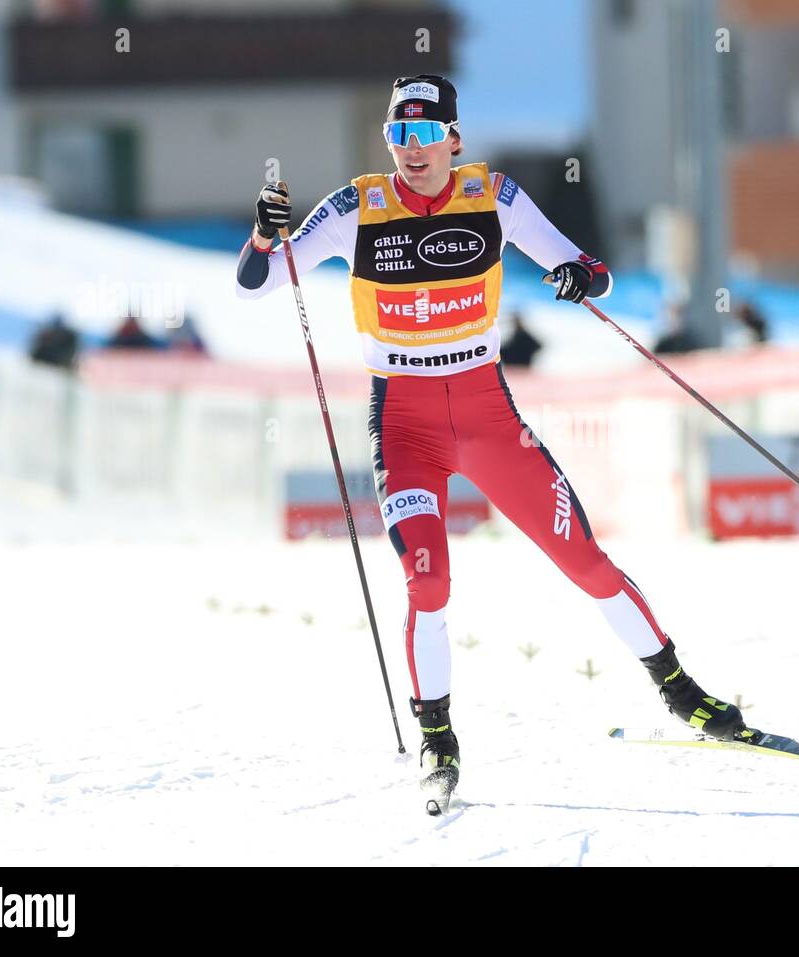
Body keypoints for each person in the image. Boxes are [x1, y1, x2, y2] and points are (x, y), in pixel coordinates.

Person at [235, 74, 746, 801]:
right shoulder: (356, 206)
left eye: (424, 134)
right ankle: (437, 737)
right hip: (406, 424)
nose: (411, 150)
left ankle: (678, 688)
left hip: (487, 416)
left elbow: (593, 271)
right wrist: (264, 232)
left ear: (453, 138)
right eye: (397, 136)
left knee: (585, 559)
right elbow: (256, 281)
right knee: (429, 579)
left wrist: (574, 275)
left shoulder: (494, 197)